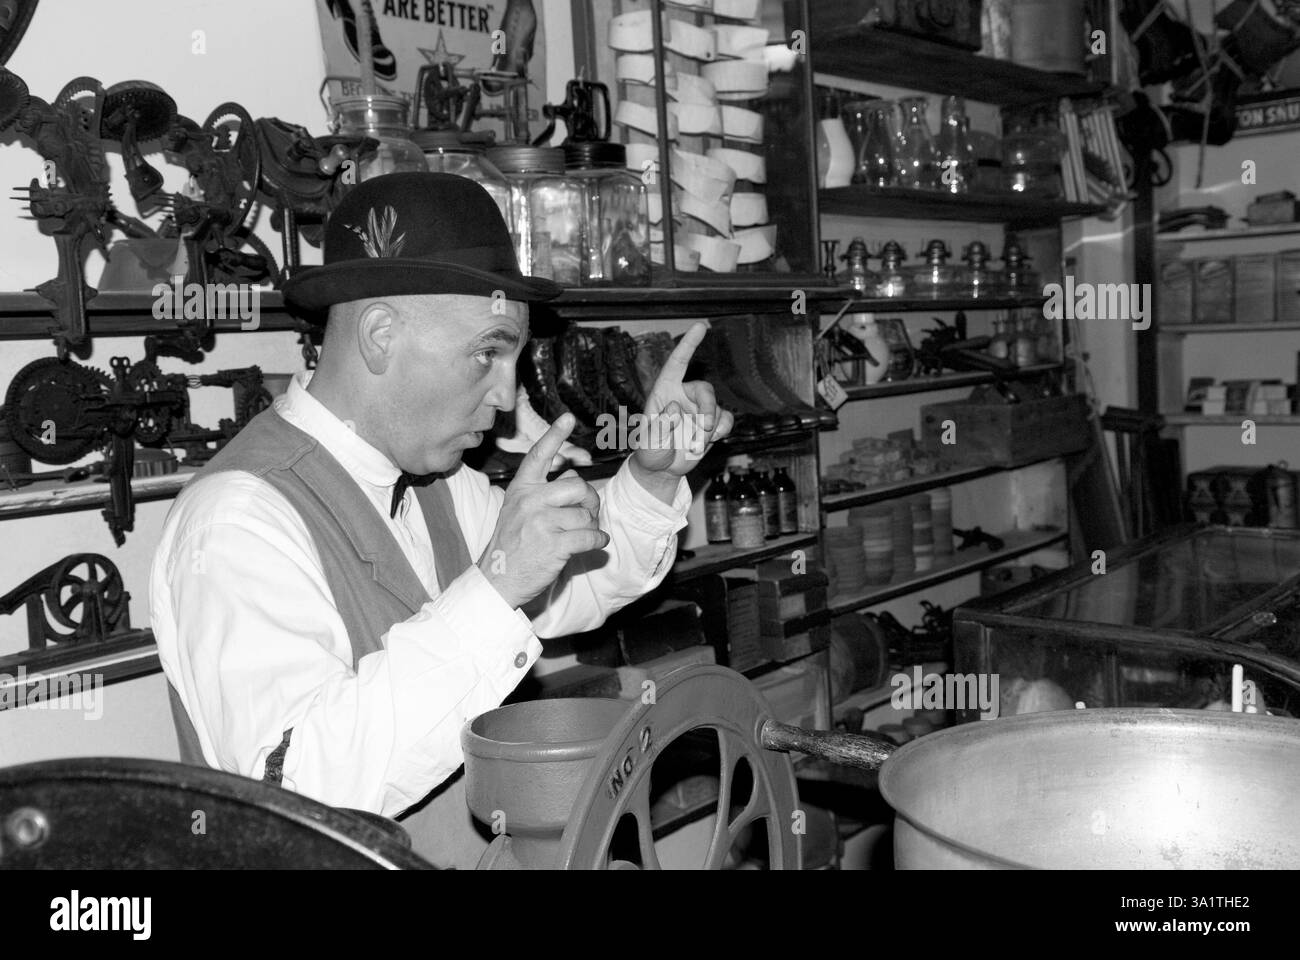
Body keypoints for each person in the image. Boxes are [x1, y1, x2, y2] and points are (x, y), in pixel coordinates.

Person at [149, 172, 733, 867]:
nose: (510, 393)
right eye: (489, 349)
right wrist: (494, 586)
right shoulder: (238, 522)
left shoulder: (439, 485)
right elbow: (300, 786)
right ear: (379, 335)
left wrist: (650, 477)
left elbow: (580, 581)